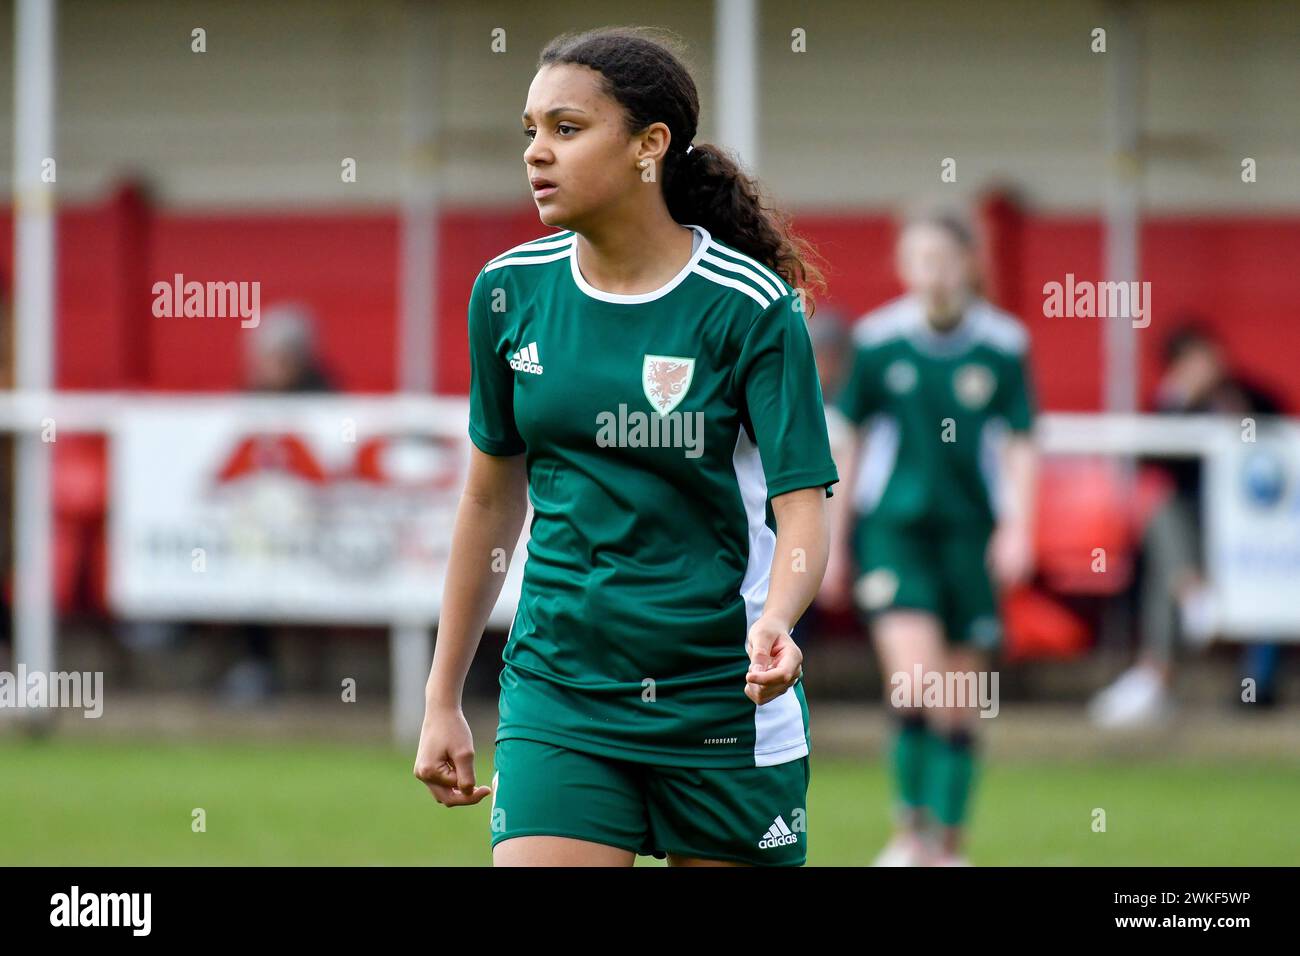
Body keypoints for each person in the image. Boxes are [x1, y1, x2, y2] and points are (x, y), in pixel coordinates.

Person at [413, 27, 840, 867]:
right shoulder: (507, 292)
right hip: (559, 694)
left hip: (723, 699)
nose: (537, 152)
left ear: (650, 145)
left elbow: (801, 507)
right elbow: (490, 500)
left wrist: (780, 622)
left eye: (566, 129)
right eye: (530, 131)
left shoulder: (750, 305)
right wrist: (442, 696)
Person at [820, 210, 1038, 866]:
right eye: (920, 260)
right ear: (903, 266)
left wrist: (1020, 528)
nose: (933, 273)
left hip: (969, 536)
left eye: (944, 259)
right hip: (896, 534)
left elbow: (1021, 442)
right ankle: (908, 834)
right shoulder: (880, 341)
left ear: (970, 262)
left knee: (957, 704)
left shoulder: (1003, 344)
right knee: (915, 685)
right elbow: (849, 443)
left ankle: (948, 844)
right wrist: (834, 541)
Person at [1087, 321, 1287, 727]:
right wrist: (1179, 402)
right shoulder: (1173, 407)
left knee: (1262, 567)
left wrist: (1237, 413)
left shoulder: (1250, 395)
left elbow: (1281, 441)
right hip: (1196, 534)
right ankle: (1188, 601)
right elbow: (1151, 461)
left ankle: (1253, 681)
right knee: (1161, 523)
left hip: (1256, 534)